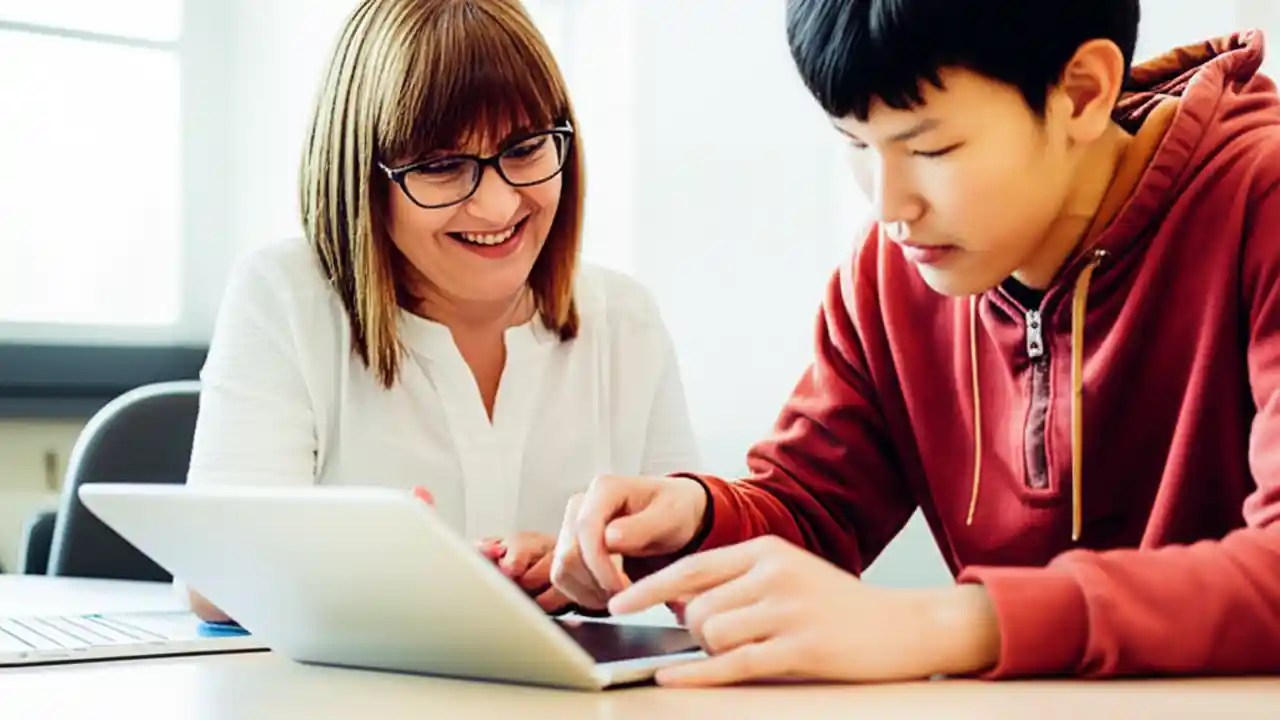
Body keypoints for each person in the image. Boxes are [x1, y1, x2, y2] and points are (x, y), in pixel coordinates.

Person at [551, 0, 1280, 687]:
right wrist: (688, 524)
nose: (890, 206)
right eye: (855, 145)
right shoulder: (891, 274)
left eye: (931, 147)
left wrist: (954, 623)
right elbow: (811, 514)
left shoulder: (1260, 202)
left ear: (1083, 94)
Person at [183, 0, 697, 621]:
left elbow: (694, 572)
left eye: (526, 148)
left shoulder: (626, 318)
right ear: (363, 177)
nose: (497, 205)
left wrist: (597, 566)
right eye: (442, 167)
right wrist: (394, 562)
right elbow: (215, 582)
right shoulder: (284, 297)